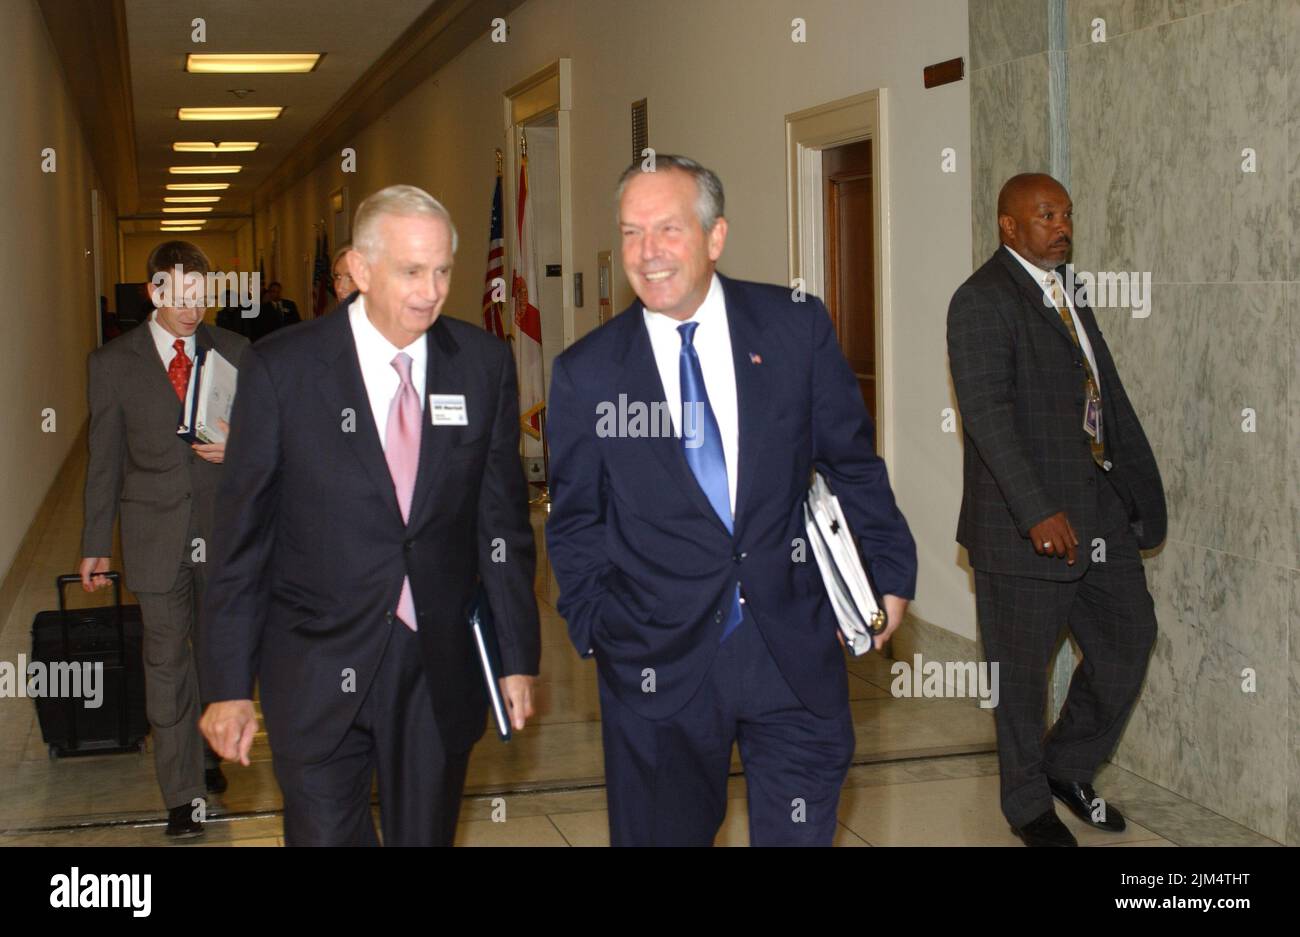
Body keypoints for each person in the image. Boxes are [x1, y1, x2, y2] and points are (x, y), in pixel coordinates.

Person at [546, 155, 916, 846]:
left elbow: (851, 460)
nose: (647, 252)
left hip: (793, 646)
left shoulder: (794, 327)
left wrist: (890, 569)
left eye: (667, 229)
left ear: (716, 237)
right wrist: (598, 625)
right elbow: (575, 522)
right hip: (656, 662)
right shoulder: (587, 374)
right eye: (630, 232)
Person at [199, 185, 540, 846]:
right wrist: (228, 685)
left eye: (443, 269)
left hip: (436, 659)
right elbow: (241, 539)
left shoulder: (481, 365)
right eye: (412, 270)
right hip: (315, 658)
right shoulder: (282, 368)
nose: (432, 289)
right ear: (357, 268)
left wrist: (516, 656)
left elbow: (501, 526)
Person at [946, 172, 1165, 847]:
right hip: (1025, 525)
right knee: (1020, 676)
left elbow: (1101, 392)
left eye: (1066, 213)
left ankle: (1067, 764)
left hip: (1095, 511)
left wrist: (1130, 485)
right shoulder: (981, 300)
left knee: (1128, 638)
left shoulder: (1069, 291)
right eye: (1045, 214)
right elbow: (988, 415)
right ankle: (1025, 805)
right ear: (1009, 225)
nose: (1061, 225)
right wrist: (1035, 510)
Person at [79, 240, 248, 838]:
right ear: (154, 291)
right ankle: (182, 795)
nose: (190, 309)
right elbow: (104, 462)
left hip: (220, 533)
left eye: (200, 296)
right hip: (153, 535)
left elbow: (268, 444)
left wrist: (240, 448)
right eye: (179, 296)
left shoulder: (234, 351)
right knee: (166, 661)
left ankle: (206, 748)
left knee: (215, 654)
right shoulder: (113, 364)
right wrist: (96, 542)